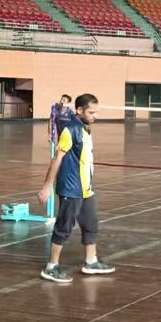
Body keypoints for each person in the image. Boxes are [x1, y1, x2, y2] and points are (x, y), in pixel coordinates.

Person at [37, 93, 115, 282]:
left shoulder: (86, 129)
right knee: (64, 227)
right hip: (72, 188)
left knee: (91, 224)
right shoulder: (70, 130)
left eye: (96, 112)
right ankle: (51, 267)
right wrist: (47, 186)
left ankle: (91, 261)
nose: (95, 115)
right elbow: (57, 159)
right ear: (79, 110)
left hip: (86, 189)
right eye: (91, 112)